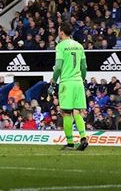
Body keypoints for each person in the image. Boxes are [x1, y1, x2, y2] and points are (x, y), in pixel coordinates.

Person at [49, 23, 89, 151]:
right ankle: (83, 138)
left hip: (67, 82)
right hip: (78, 82)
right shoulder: (79, 46)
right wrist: (82, 79)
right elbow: (84, 67)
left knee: (66, 113)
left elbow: (58, 67)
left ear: (61, 33)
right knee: (77, 112)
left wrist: (53, 83)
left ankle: (70, 142)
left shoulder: (60, 46)